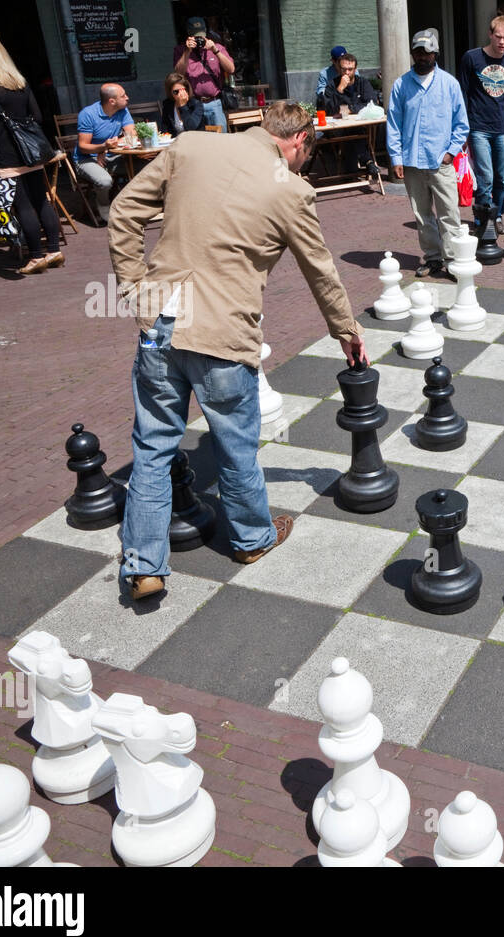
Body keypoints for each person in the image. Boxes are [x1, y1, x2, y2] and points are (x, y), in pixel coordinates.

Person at [109, 101, 367, 601]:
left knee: (152, 447)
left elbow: (123, 211)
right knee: (234, 444)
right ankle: (251, 537)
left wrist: (136, 291)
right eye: (303, 157)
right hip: (222, 332)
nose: (300, 166)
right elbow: (320, 270)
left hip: (161, 322)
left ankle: (143, 566)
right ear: (297, 141)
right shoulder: (292, 190)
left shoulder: (190, 145)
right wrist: (347, 329)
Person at [0, 30, 62, 274]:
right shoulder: (19, 80)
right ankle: (54, 250)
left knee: (22, 206)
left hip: (7, 154)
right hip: (31, 150)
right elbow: (39, 116)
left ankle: (35, 256)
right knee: (40, 200)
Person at [386, 29, 470, 279]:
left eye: (427, 53)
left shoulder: (449, 84)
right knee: (422, 216)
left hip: (441, 162)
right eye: (418, 53)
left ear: (435, 54)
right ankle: (433, 258)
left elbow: (462, 124)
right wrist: (396, 158)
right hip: (412, 162)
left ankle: (453, 260)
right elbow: (393, 123)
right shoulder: (401, 85)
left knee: (449, 215)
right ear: (412, 53)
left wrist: (450, 152)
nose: (422, 57)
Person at [459, 16, 504, 230]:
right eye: (498, 37)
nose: (502, 42)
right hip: (478, 127)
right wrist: (463, 128)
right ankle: (482, 218)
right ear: (490, 34)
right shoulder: (472, 58)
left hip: (501, 127)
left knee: (501, 177)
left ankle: (497, 216)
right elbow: (464, 94)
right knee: (485, 176)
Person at [72, 83, 137, 226]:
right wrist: (102, 147)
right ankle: (103, 205)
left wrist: (105, 149)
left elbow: (132, 135)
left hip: (110, 155)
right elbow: (83, 147)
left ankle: (138, 206)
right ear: (112, 101)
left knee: (144, 168)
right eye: (123, 96)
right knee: (104, 181)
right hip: (86, 159)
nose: (127, 98)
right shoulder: (88, 114)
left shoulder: (122, 110)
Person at [317, 52, 380, 175]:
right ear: (339, 69)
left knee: (355, 131)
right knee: (352, 131)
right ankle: (367, 161)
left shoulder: (363, 83)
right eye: (344, 69)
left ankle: (356, 168)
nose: (346, 73)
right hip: (339, 128)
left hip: (361, 126)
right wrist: (339, 90)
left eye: (350, 69)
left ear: (355, 69)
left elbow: (372, 104)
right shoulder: (332, 85)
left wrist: (349, 109)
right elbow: (329, 110)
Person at [172, 16, 235, 132]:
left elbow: (231, 69)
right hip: (194, 104)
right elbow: (178, 74)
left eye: (201, 35)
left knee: (221, 142)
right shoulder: (181, 50)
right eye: (196, 37)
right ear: (189, 35)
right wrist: (187, 51)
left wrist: (215, 50)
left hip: (214, 103)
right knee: (198, 142)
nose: (199, 39)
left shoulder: (217, 47)